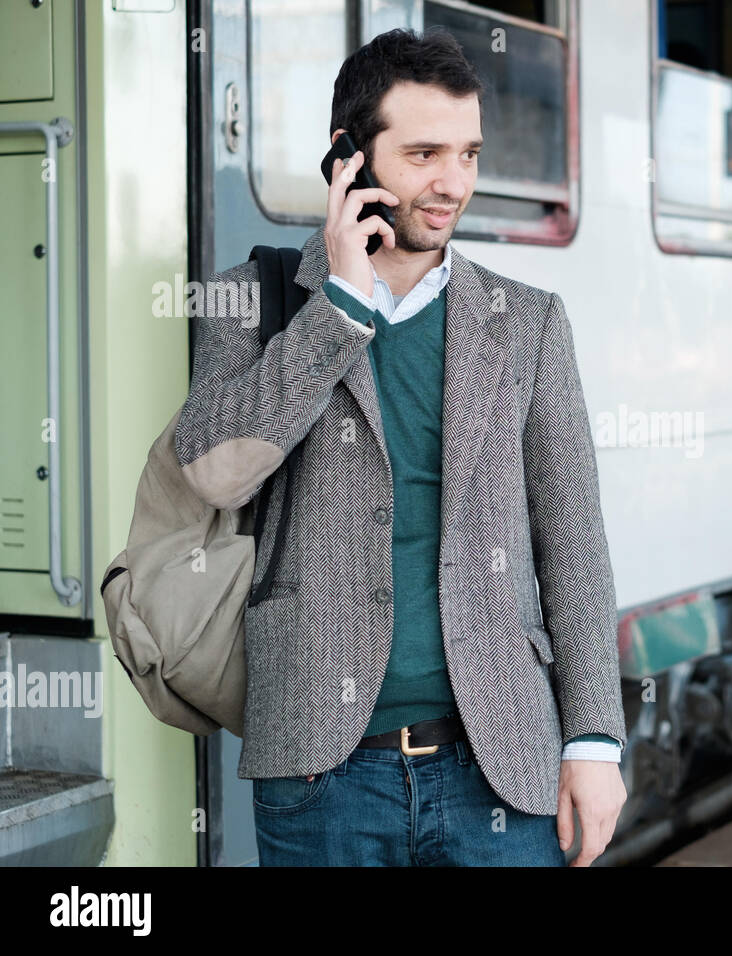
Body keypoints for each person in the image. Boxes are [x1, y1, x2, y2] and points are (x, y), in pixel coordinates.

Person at [174, 27, 626, 866]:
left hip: (500, 770)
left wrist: (594, 738)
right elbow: (209, 473)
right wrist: (340, 311)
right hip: (323, 779)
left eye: (468, 154)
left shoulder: (528, 324)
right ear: (348, 158)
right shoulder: (253, 304)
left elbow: (574, 545)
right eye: (424, 154)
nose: (452, 183)